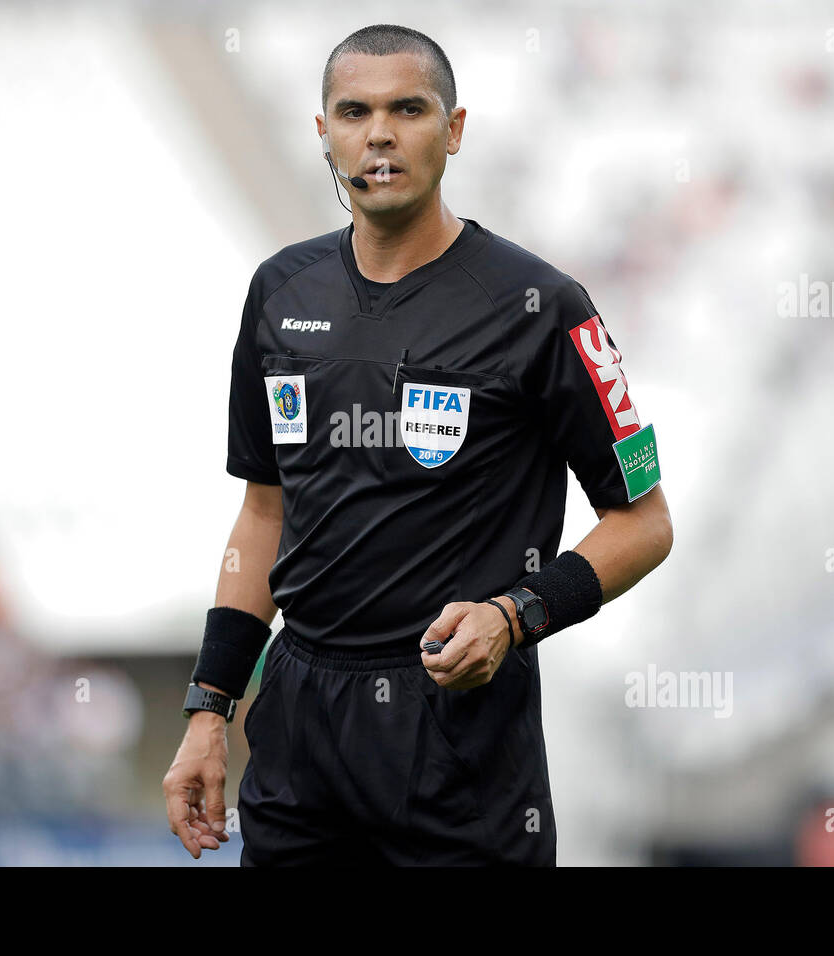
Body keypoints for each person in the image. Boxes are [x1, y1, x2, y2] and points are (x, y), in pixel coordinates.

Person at [163, 23, 673, 866]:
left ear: (455, 129)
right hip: (297, 729)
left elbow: (644, 521)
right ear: (323, 133)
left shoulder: (543, 306)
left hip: (458, 739)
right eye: (354, 112)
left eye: (409, 109)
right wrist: (208, 710)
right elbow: (262, 514)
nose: (381, 134)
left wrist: (518, 616)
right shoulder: (279, 291)